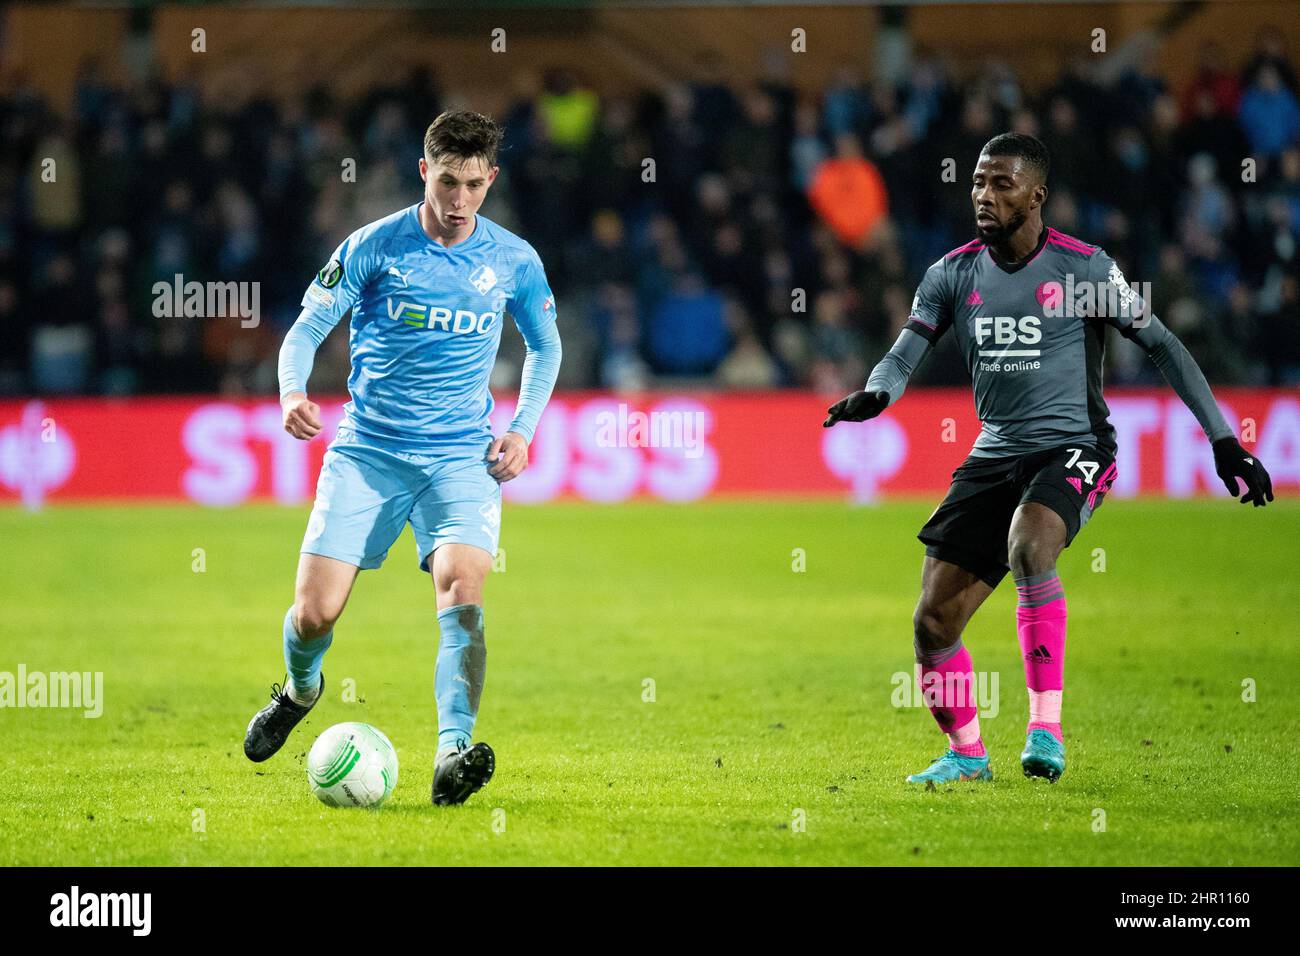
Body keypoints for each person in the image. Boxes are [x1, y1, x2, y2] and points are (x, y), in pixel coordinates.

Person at [824, 133, 1272, 785]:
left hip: (1076, 446)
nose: (984, 195)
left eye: (1001, 183)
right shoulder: (950, 274)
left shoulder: (1084, 270)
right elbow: (903, 354)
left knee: (1030, 545)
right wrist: (877, 394)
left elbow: (1164, 345)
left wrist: (1223, 440)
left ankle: (1045, 729)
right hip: (995, 450)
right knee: (933, 621)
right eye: (977, 182)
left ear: (1036, 195)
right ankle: (968, 754)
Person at [243, 110, 562, 806]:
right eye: (447, 181)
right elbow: (306, 329)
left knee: (463, 590)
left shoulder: (513, 260)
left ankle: (452, 754)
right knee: (315, 615)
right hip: (368, 453)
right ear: (425, 171)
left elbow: (546, 346)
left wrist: (522, 429)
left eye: (473, 185)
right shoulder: (373, 246)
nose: (457, 201)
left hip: (459, 459)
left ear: (490, 180)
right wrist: (292, 390)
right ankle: (301, 691)